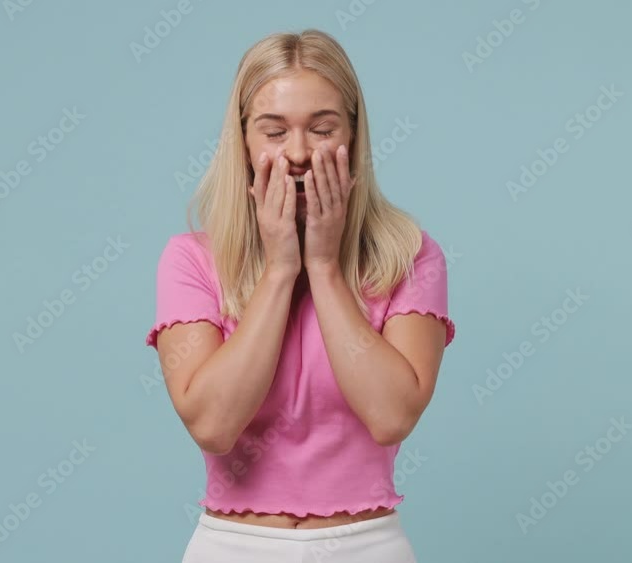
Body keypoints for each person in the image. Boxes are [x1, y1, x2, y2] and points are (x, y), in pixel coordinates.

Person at [146, 28, 455, 563]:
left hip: (366, 547)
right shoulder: (191, 260)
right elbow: (214, 426)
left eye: (322, 128)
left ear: (354, 137)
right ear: (242, 141)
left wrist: (325, 267)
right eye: (273, 131)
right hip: (233, 547)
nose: (298, 153)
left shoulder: (411, 255)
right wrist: (281, 270)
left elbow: (391, 416)